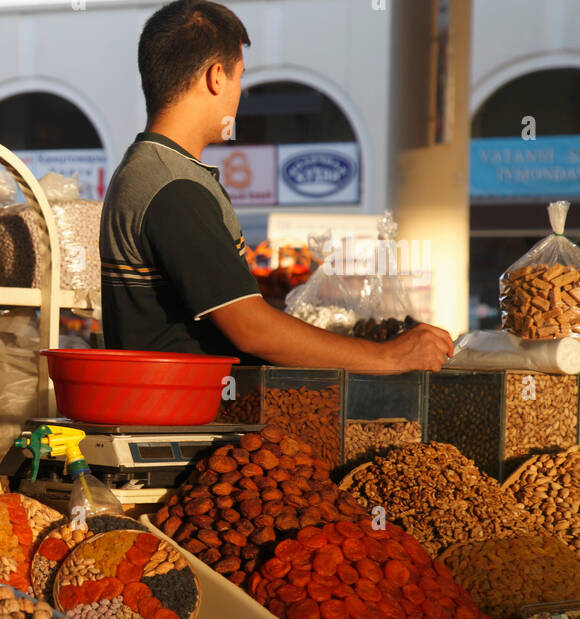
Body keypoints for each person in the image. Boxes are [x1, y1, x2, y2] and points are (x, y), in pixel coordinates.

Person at [101, 0, 453, 373]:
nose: (239, 93)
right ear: (216, 77)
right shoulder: (172, 186)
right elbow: (250, 329)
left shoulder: (153, 171)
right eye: (239, 77)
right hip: (180, 424)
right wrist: (389, 356)